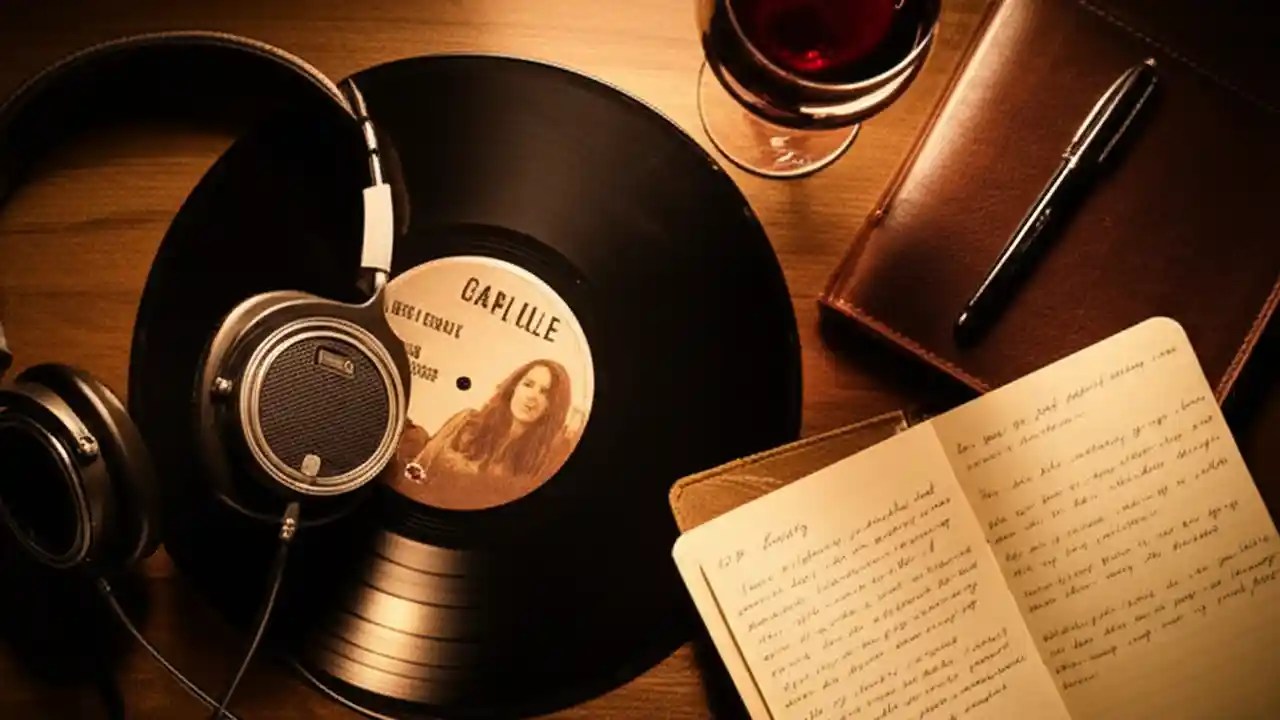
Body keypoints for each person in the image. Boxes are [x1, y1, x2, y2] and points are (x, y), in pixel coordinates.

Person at [391, 359, 574, 509]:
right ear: (514, 388)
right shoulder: (466, 422)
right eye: (528, 384)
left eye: (545, 393)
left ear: (554, 407)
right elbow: (419, 468)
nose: (532, 396)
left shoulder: (543, 463)